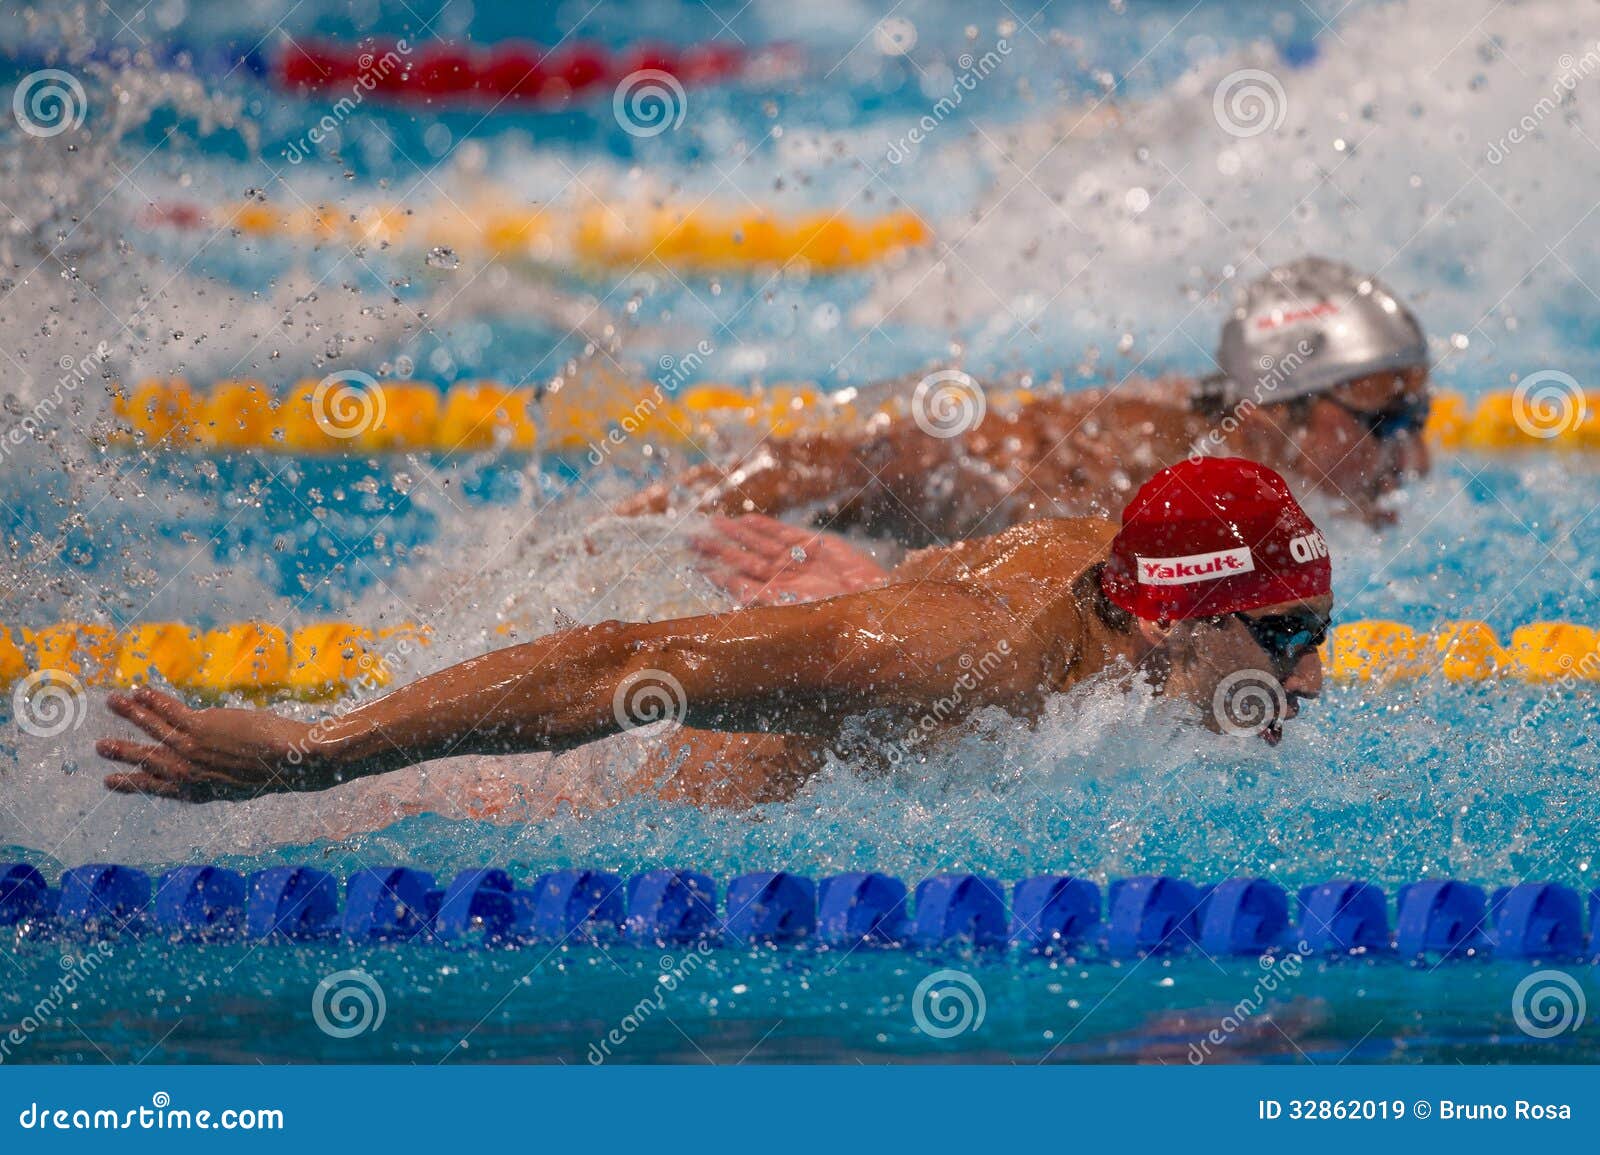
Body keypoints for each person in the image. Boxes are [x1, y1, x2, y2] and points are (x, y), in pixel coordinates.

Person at [97, 458, 1333, 810]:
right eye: (1280, 636)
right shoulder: (951, 660)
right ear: (1166, 623)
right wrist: (317, 750)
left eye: (1320, 625)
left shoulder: (1120, 582)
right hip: (660, 798)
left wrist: (878, 592)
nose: (1313, 673)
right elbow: (616, 662)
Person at [621, 256, 1432, 549]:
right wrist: (636, 533)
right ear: (1267, 411)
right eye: (1386, 423)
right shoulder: (1147, 477)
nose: (1416, 458)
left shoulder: (1239, 470)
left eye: (1420, 419)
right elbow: (861, 456)